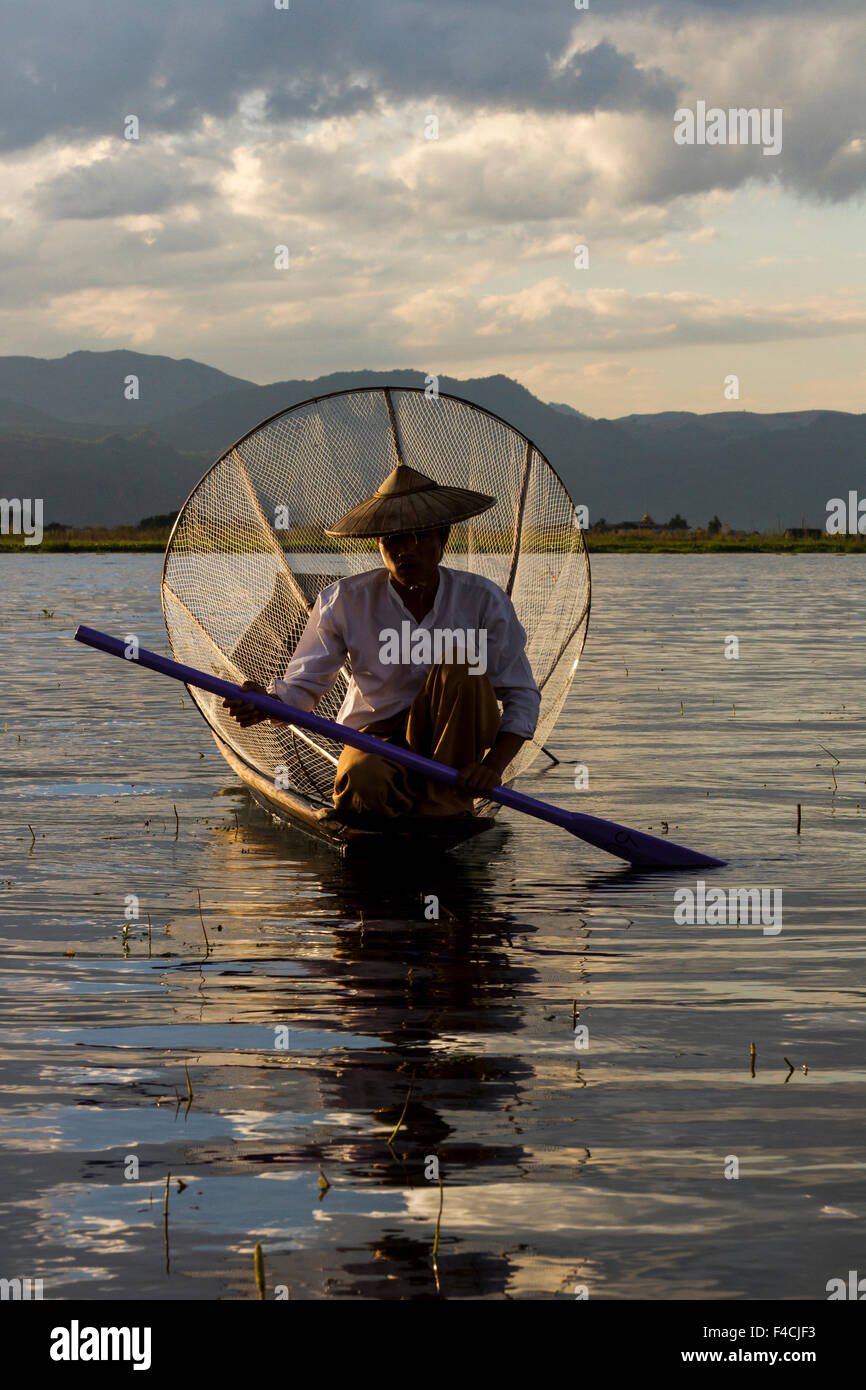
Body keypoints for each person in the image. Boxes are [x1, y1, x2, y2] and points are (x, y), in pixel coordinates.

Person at [223, 461, 540, 819]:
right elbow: (303, 687)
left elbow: (521, 693)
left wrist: (492, 768)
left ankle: (445, 806)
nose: (406, 550)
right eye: (392, 539)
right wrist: (266, 704)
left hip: (454, 741)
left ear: (443, 539)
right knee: (363, 782)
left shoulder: (481, 598)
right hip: (375, 738)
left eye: (419, 537)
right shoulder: (344, 599)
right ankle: (412, 809)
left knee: (463, 663)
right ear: (378, 544)